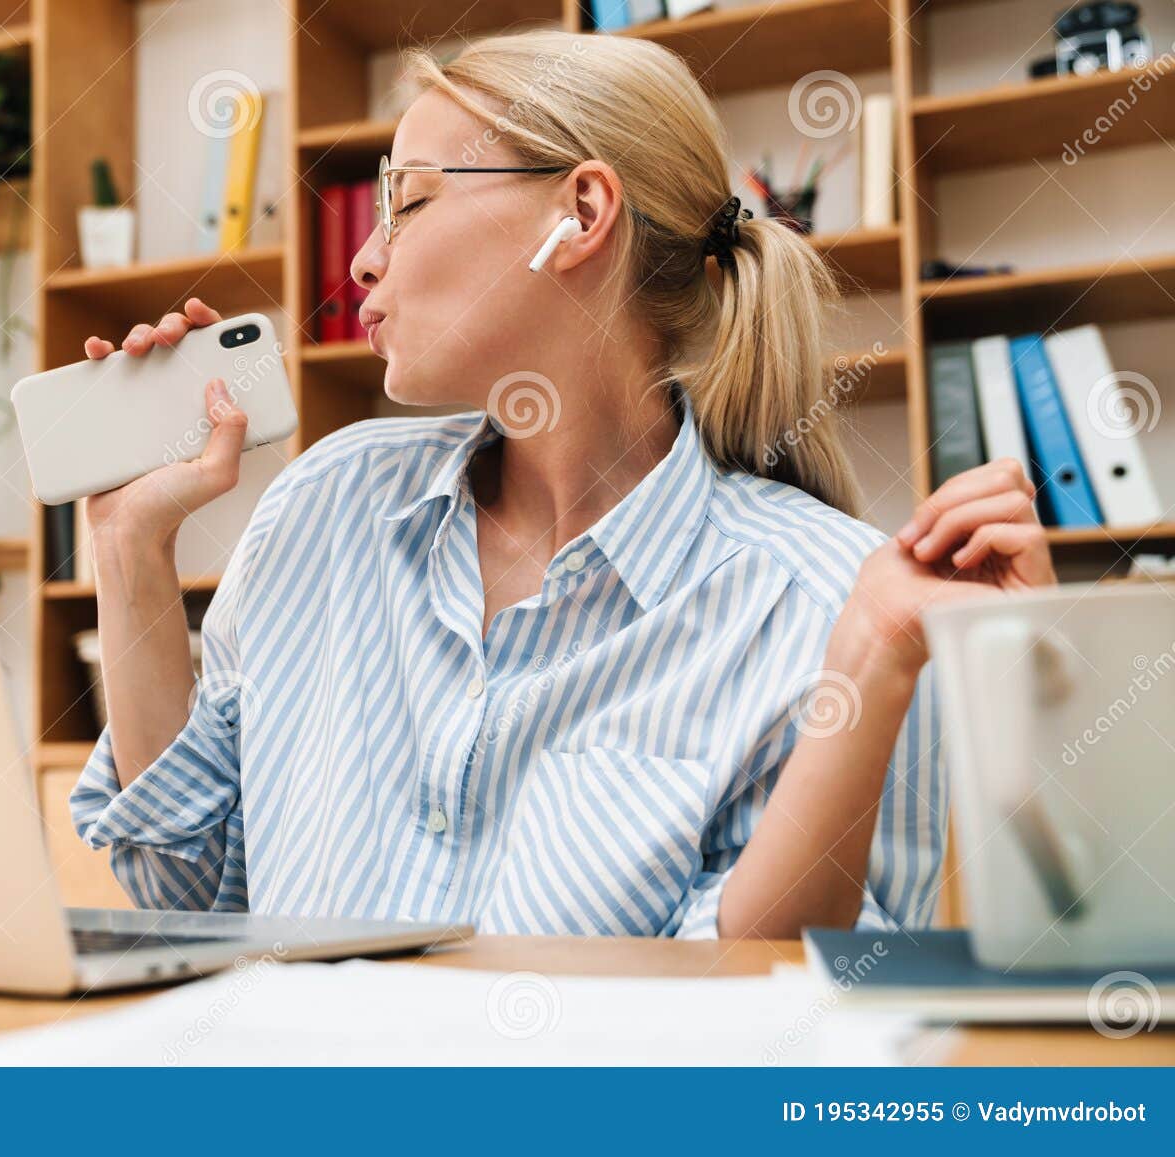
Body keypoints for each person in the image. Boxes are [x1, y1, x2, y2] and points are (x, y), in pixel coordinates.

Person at [70, 29, 1054, 938]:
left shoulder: (832, 604)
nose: (365, 261)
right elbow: (179, 892)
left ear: (579, 213)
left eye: (406, 203)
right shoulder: (321, 506)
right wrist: (128, 548)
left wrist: (872, 665)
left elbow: (773, 1014)